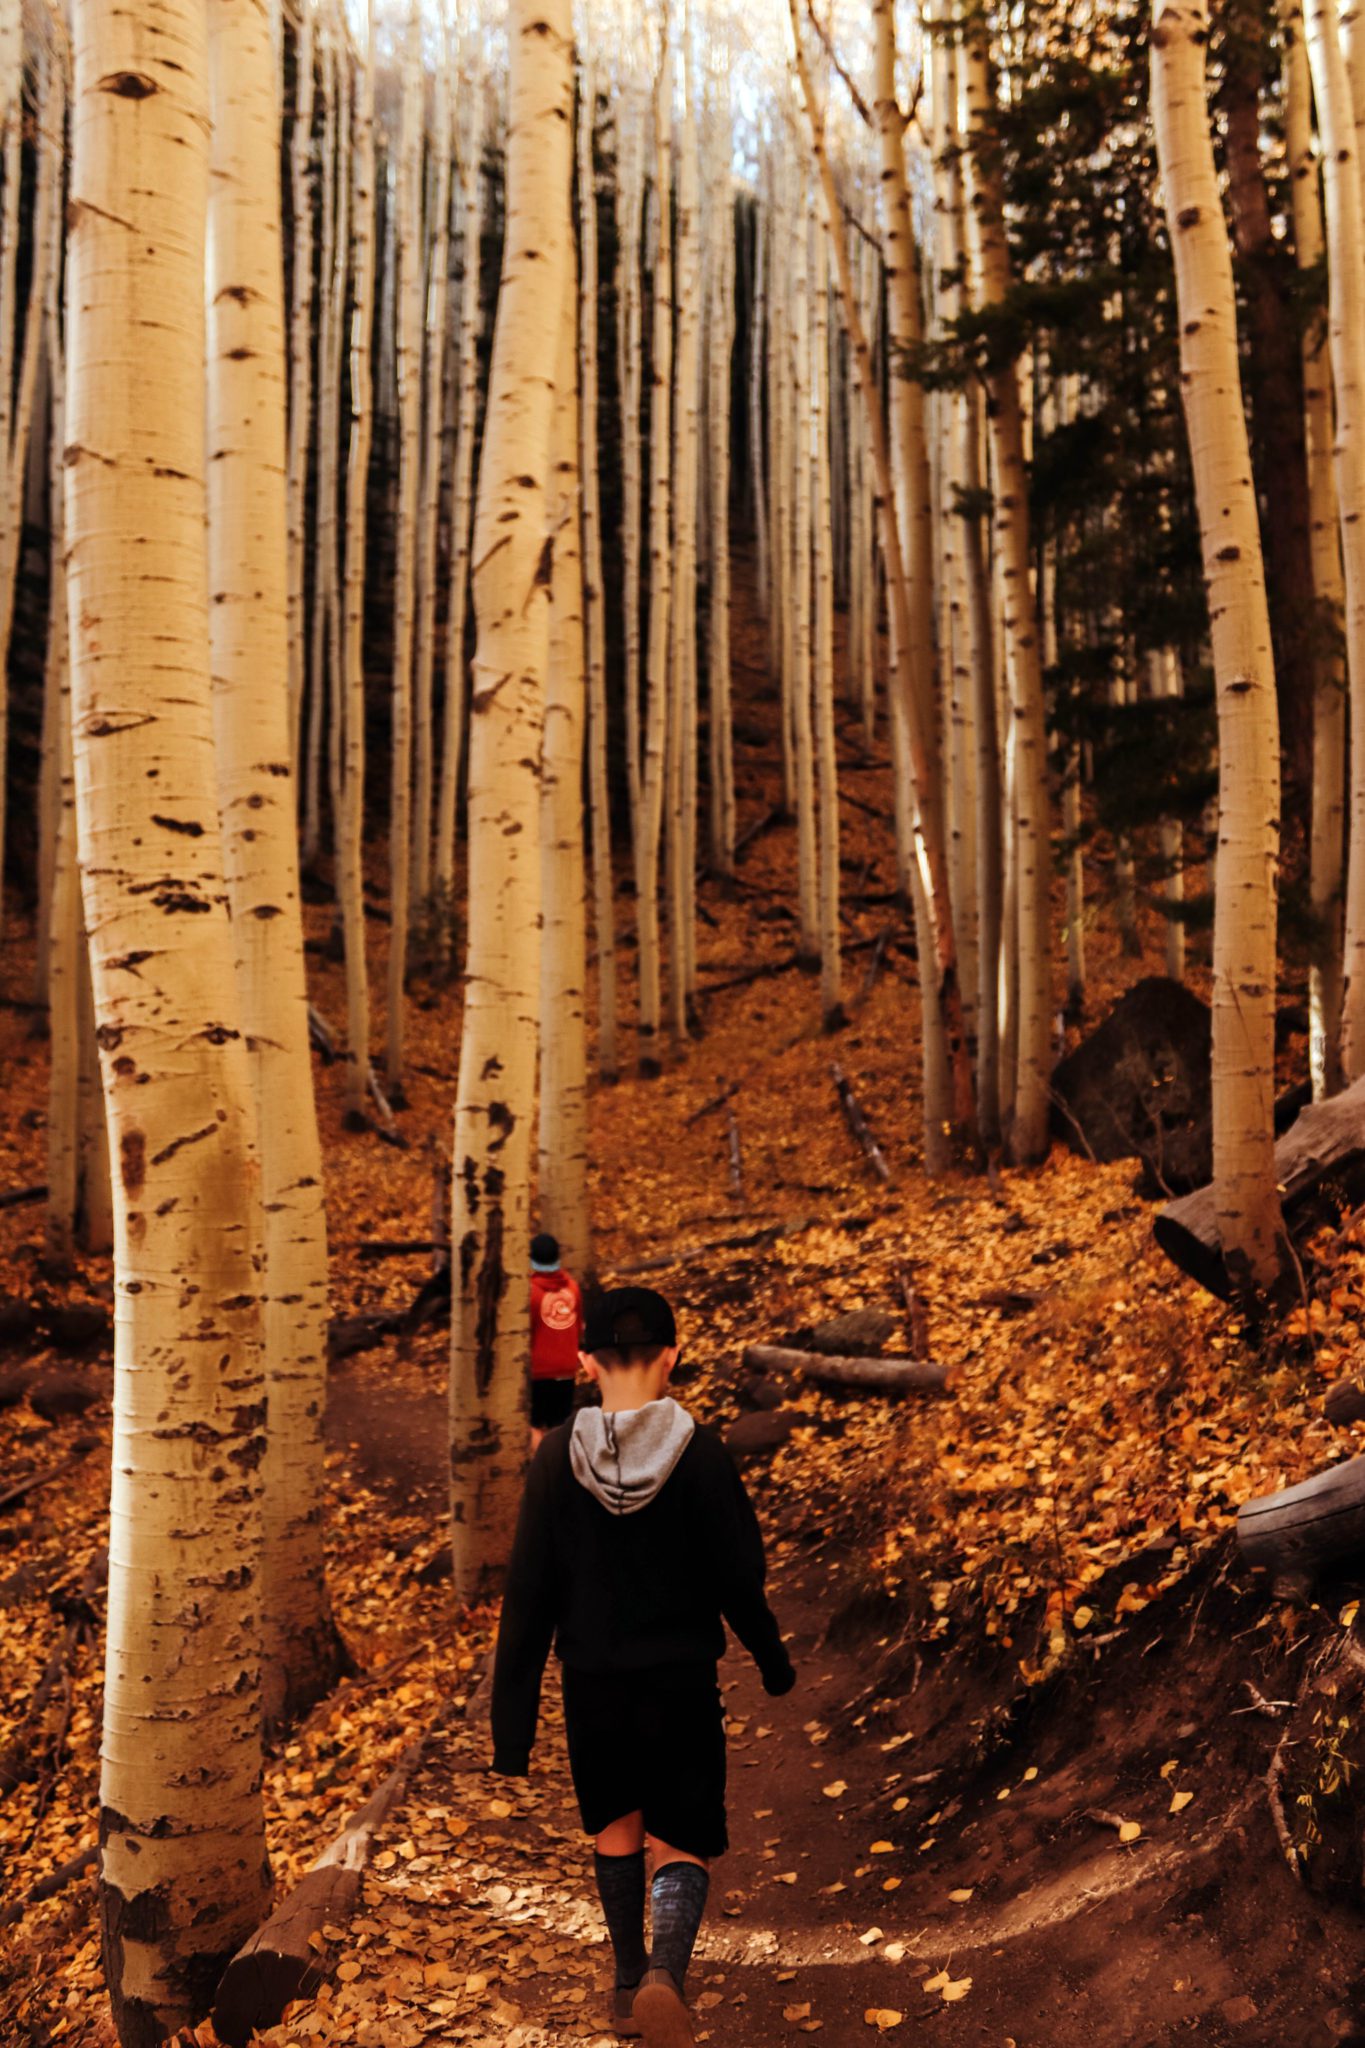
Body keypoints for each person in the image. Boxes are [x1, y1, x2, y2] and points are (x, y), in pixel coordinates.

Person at [490, 1285, 796, 2047]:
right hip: (679, 1680)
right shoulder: (702, 1454)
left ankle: (628, 1986)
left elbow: (526, 1595)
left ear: (586, 1362)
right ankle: (666, 1973)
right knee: (681, 1834)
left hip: (591, 1685)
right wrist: (770, 1658)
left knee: (616, 1825)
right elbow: (737, 1576)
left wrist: (512, 1729)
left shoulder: (555, 1459)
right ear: (672, 1357)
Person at [529, 1231, 583, 1452]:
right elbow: (578, 1325)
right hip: (566, 1367)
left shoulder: (530, 1292)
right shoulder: (572, 1288)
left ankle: (540, 1466)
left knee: (535, 1425)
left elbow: (526, 1332)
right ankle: (557, 1466)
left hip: (539, 1370)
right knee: (559, 1425)